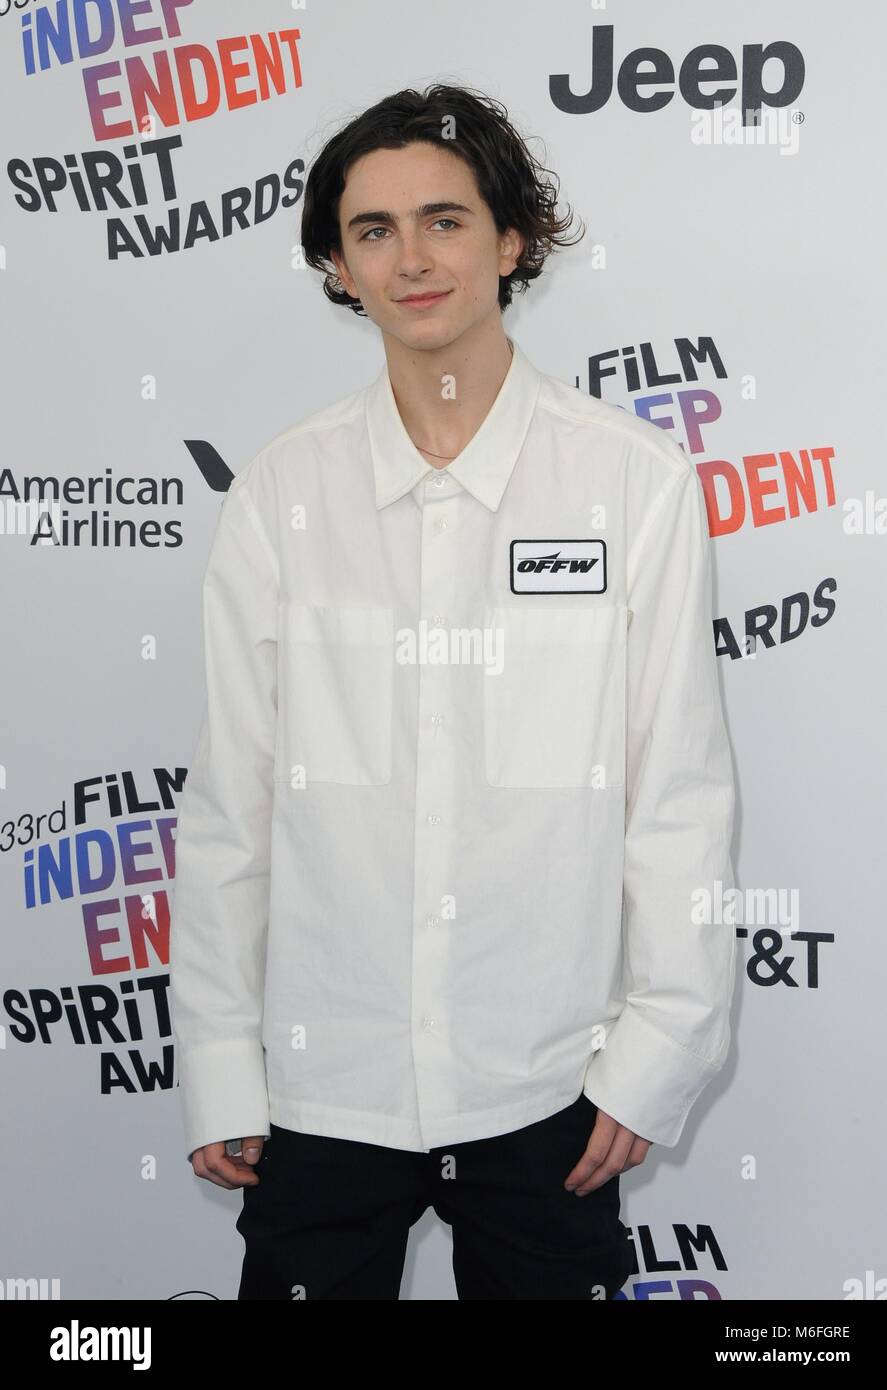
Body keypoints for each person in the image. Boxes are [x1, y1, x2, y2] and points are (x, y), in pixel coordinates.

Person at [170, 83, 737, 1301]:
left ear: (512, 239)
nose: (411, 258)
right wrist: (219, 1058)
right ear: (336, 262)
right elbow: (232, 804)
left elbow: (677, 793)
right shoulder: (281, 494)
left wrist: (657, 1057)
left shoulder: (632, 485)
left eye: (445, 220)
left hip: (547, 1089)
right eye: (373, 230)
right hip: (323, 1093)